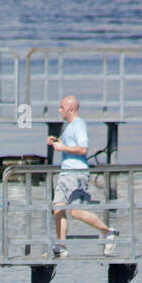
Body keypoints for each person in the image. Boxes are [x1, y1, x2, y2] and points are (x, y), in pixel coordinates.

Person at [48, 95, 118, 259]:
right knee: (58, 209)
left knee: (76, 212)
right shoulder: (69, 126)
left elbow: (83, 149)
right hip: (65, 173)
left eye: (61, 107)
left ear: (70, 108)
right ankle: (62, 246)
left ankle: (108, 232)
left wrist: (62, 147)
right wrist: (57, 141)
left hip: (76, 173)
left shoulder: (80, 125)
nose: (59, 110)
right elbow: (70, 146)